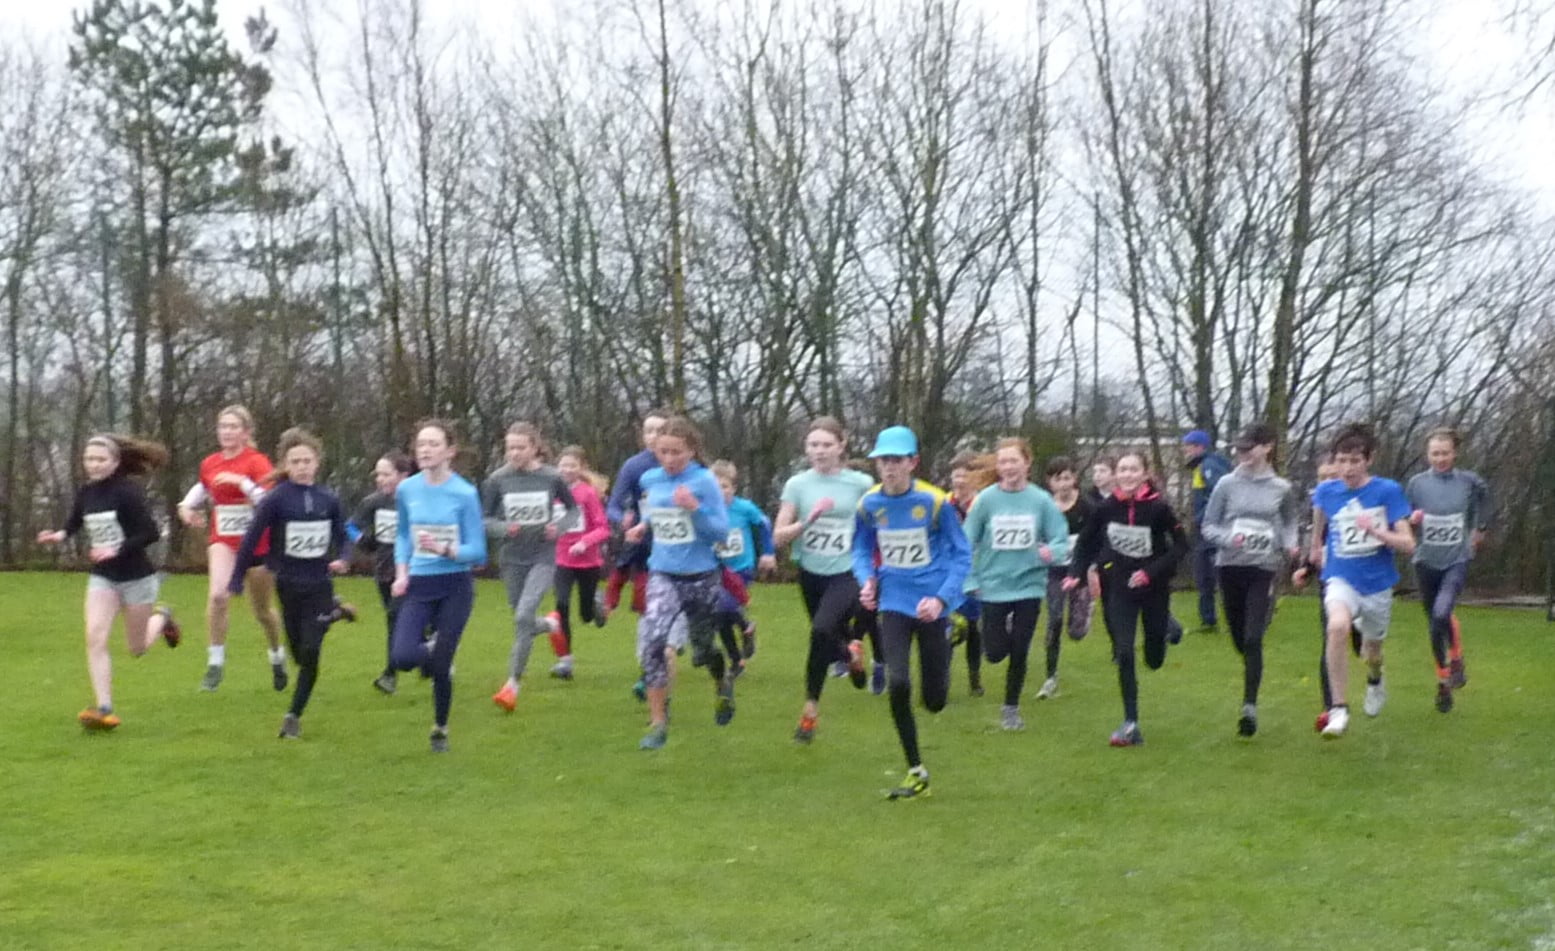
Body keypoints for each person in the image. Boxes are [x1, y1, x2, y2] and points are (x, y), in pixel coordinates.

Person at [854, 426, 971, 799]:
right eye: (883, 461)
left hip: (932, 605)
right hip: (893, 602)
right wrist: (866, 579)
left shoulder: (935, 503)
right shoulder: (869, 504)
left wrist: (941, 599)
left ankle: (952, 628)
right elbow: (860, 549)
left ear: (912, 462)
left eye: (896, 460)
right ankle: (916, 770)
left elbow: (962, 555)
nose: (889, 467)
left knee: (934, 701)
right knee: (899, 683)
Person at [37, 434, 180, 730]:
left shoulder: (128, 493)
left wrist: (116, 549)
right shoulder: (86, 492)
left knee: (137, 648)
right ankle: (104, 708)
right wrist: (59, 535)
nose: (94, 464)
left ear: (115, 463)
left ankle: (162, 618)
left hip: (137, 577)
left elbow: (150, 533)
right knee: (95, 636)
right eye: (89, 459)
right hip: (104, 577)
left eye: (101, 459)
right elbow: (75, 521)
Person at [226, 428, 354, 739]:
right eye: (295, 461)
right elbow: (251, 538)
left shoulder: (329, 498)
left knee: (310, 651)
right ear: (286, 464)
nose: (302, 467)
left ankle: (293, 716)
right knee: (298, 652)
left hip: (319, 584)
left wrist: (344, 558)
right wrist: (236, 578)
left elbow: (343, 535)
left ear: (317, 463)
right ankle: (335, 613)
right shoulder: (276, 499)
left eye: (307, 461)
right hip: (287, 584)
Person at [1067, 450, 1188, 747]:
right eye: (1123, 469)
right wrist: (1076, 573)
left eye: (1134, 469)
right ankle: (1130, 723)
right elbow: (1085, 542)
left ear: (1145, 474)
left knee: (1154, 659)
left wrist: (1150, 572)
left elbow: (1181, 545)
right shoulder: (1106, 508)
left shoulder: (1159, 508)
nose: (1128, 475)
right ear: (1116, 474)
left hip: (1154, 589)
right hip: (1120, 587)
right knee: (1123, 651)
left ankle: (1167, 628)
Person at [626, 416, 731, 750]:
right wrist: (643, 526)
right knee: (654, 642)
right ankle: (658, 723)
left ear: (691, 451)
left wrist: (695, 508)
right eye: (663, 452)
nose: (669, 459)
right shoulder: (650, 478)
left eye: (676, 452)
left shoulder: (704, 481)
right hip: (663, 573)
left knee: (703, 650)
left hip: (701, 577)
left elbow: (721, 532)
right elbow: (653, 510)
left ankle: (722, 682)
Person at [773, 417, 877, 743]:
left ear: (841, 446)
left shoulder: (860, 483)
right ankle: (850, 655)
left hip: (847, 571)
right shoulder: (797, 485)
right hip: (811, 573)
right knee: (825, 640)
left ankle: (809, 711)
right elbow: (778, 536)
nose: (819, 451)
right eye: (813, 445)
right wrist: (809, 519)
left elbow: (877, 523)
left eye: (826, 445)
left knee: (820, 630)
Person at [1308, 423, 1414, 739]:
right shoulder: (1327, 491)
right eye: (1342, 461)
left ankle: (1375, 678)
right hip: (1341, 577)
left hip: (1377, 585)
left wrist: (1377, 532)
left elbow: (1408, 544)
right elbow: (1319, 514)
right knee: (1337, 626)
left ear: (1369, 460)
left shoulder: (1387, 491)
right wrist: (1315, 547)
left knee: (1372, 651)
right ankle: (1339, 708)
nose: (1348, 468)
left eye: (1355, 461)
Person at [388, 420, 488, 753]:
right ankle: (432, 648)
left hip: (455, 586)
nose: (425, 450)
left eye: (433, 444)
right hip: (419, 584)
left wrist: (445, 550)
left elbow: (479, 552)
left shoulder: (464, 493)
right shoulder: (407, 489)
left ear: (450, 451)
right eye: (421, 444)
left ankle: (440, 728)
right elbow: (403, 535)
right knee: (402, 657)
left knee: (442, 667)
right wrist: (402, 573)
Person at [1199, 423, 1301, 737]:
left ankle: (1249, 708)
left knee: (1253, 638)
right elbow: (1208, 526)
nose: (1242, 454)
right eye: (1239, 449)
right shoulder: (1226, 484)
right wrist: (1229, 539)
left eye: (1248, 448)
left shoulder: (1281, 488)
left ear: (1267, 447)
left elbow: (1290, 521)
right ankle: (1251, 668)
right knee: (1240, 639)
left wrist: (1291, 544)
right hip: (1230, 567)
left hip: (1263, 568)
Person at [176, 405, 287, 692]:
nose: (227, 432)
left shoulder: (257, 462)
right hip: (223, 540)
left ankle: (277, 655)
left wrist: (242, 483)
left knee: (262, 611)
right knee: (218, 596)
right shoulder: (210, 462)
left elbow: (269, 501)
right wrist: (186, 507)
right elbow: (203, 487)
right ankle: (215, 664)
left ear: (246, 432)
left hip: (257, 543)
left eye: (233, 426)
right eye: (223, 426)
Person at [961, 438, 1069, 731]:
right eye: (1003, 462)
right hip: (993, 584)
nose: (1008, 467)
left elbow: (1060, 538)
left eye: (1013, 461)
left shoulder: (1040, 501)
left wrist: (1051, 552)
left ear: (1027, 463)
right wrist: (970, 579)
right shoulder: (986, 500)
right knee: (995, 653)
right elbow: (965, 541)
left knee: (1020, 648)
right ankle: (1001, 631)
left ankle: (1010, 708)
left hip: (1028, 585)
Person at [485, 423, 577, 712]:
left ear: (535, 448)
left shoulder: (551, 477)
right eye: (510, 448)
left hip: (543, 557)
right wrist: (503, 528)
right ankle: (550, 624)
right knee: (522, 619)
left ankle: (512, 684)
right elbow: (484, 519)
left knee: (524, 615)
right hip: (511, 559)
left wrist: (558, 527)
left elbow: (574, 511)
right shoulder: (498, 479)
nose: (514, 453)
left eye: (520, 447)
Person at [1405, 427, 1489, 713]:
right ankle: (1443, 682)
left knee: (1442, 612)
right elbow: (1403, 516)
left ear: (1455, 453)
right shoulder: (1417, 483)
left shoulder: (1468, 481)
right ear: (1427, 455)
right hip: (1425, 561)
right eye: (1435, 454)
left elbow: (1486, 500)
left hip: (1456, 559)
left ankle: (1457, 658)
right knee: (1434, 623)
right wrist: (1412, 519)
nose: (1440, 459)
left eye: (1445, 453)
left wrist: (1479, 528)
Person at [349, 451, 416, 694]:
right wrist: (362, 540)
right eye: (378, 474)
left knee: (396, 616)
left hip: (412, 569)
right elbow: (350, 526)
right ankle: (429, 647)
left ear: (403, 475)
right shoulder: (374, 502)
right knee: (394, 620)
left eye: (387, 474)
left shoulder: (416, 501)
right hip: (384, 569)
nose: (380, 479)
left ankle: (391, 673)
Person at [550, 446, 613, 679]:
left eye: (572, 465)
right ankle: (565, 661)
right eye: (563, 465)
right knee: (561, 606)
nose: (567, 470)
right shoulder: (552, 492)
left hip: (587, 562)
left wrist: (584, 543)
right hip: (561, 559)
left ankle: (596, 601)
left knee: (586, 616)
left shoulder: (587, 493)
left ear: (581, 468)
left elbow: (603, 528)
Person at [604, 408, 673, 617]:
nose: (653, 436)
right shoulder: (633, 466)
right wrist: (622, 520)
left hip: (673, 535)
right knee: (628, 566)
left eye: (660, 431)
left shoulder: (682, 464)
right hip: (641, 534)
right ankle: (610, 604)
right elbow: (613, 505)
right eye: (648, 431)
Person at [711, 460, 777, 669]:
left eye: (724, 486)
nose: (720, 492)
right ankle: (736, 659)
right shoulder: (706, 509)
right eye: (715, 487)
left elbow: (764, 524)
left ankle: (745, 625)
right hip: (715, 569)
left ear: (734, 487)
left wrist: (768, 552)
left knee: (724, 606)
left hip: (741, 568)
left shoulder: (744, 508)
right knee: (720, 616)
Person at [1037, 456, 1094, 700]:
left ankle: (1086, 612)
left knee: (1076, 633)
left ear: (1075, 479)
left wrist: (1091, 567)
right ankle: (1051, 676)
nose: (1063, 484)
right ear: (1050, 482)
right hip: (1054, 571)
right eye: (1057, 479)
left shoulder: (1086, 506)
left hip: (1079, 570)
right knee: (1055, 618)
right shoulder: (1044, 507)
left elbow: (1096, 537)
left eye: (1067, 478)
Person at [947, 451, 995, 697]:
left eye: (964, 475)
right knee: (948, 626)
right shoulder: (944, 504)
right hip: (949, 574)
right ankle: (942, 680)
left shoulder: (982, 505)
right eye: (956, 475)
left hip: (976, 574)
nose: (959, 481)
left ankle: (974, 678)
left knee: (974, 627)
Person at [1182, 429, 1233, 632]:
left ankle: (1232, 618)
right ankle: (1208, 620)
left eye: (1188, 447)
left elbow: (1219, 495)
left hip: (1212, 530)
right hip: (1205, 529)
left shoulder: (1210, 466)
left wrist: (1201, 518)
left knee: (1215, 575)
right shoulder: (1199, 467)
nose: (1185, 452)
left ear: (1199, 447)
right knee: (1204, 576)